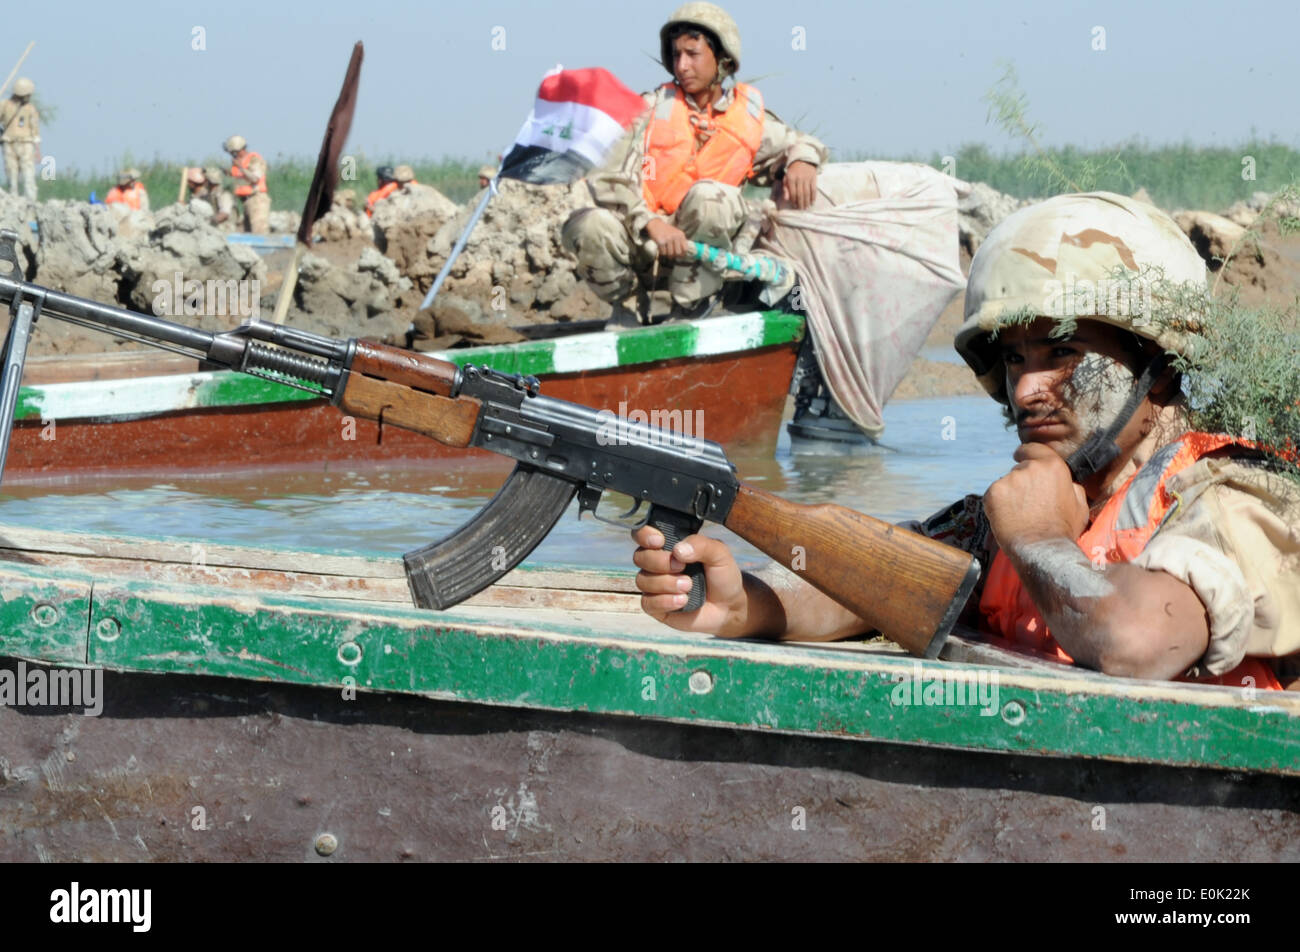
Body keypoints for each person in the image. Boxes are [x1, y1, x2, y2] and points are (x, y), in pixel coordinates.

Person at [631, 192, 1300, 689]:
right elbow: (882, 586)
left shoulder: (1234, 496)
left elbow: (1140, 643)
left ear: (1160, 371)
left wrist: (1039, 540)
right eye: (1013, 359)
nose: (1028, 389)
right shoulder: (1022, 508)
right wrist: (742, 602)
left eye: (1062, 353)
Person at [561, 3, 827, 320]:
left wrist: (802, 161)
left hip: (704, 258)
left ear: (723, 60)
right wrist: (650, 222)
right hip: (642, 246)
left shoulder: (750, 122)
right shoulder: (647, 109)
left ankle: (693, 306)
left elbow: (802, 144)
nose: (682, 65)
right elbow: (607, 177)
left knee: (712, 196)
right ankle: (631, 307)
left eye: (692, 54)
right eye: (676, 55)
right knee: (586, 224)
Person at [0, 77, 40, 201]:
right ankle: (14, 203)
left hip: (26, 144)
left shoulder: (30, 108)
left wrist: (37, 150)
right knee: (12, 175)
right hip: (9, 143)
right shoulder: (5, 105)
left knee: (28, 177)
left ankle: (30, 202)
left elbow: (35, 131)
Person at [223, 134, 270, 234]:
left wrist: (240, 167)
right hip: (245, 201)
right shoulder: (239, 163)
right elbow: (240, 180)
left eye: (233, 153)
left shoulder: (254, 159)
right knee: (247, 233)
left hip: (257, 200)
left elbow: (255, 178)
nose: (232, 155)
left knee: (259, 233)